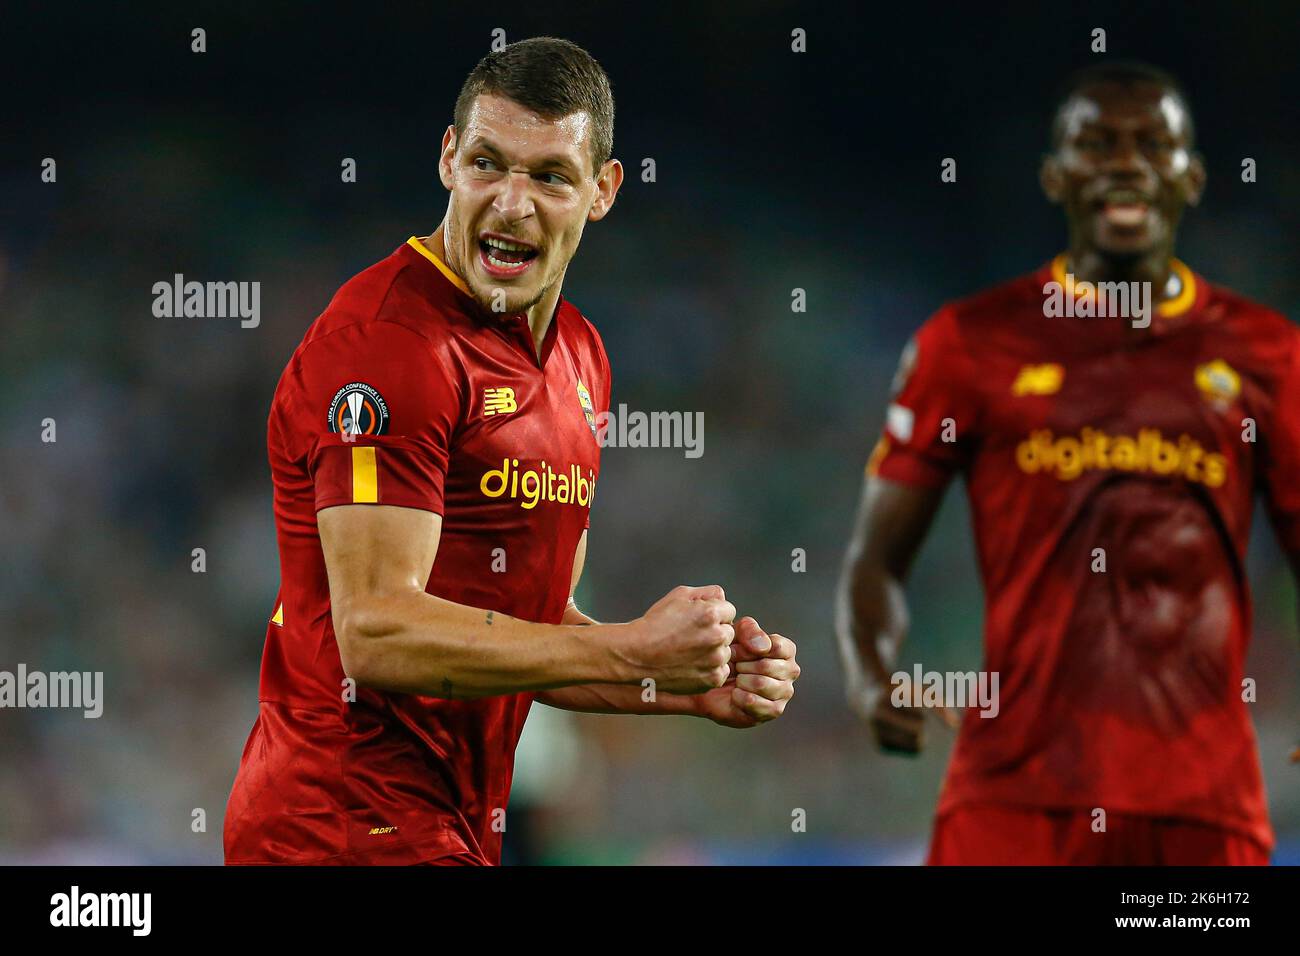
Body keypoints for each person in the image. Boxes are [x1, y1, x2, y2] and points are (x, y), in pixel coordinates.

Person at [225, 36, 798, 866]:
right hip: (339, 824)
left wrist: (676, 683)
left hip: (450, 826)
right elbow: (376, 631)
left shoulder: (580, 358)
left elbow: (531, 637)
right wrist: (631, 650)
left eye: (550, 176)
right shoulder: (389, 345)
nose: (511, 203)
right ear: (449, 158)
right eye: (489, 163)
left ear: (602, 191)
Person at [837, 61, 1299, 865]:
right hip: (1013, 802)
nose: (1126, 164)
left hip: (1201, 807)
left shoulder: (1267, 354)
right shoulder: (969, 344)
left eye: (1154, 144)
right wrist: (873, 674)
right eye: (1098, 144)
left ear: (1191, 178)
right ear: (1055, 176)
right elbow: (876, 559)